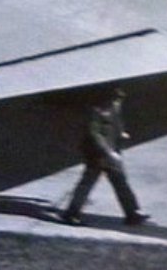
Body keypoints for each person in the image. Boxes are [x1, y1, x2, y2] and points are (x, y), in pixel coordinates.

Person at [60, 87, 149, 227]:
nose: (118, 101)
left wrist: (121, 134)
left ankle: (133, 213)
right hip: (97, 154)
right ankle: (71, 213)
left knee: (120, 183)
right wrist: (108, 153)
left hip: (111, 151)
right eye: (116, 98)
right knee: (88, 183)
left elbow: (116, 125)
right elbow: (95, 134)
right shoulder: (96, 110)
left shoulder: (114, 107)